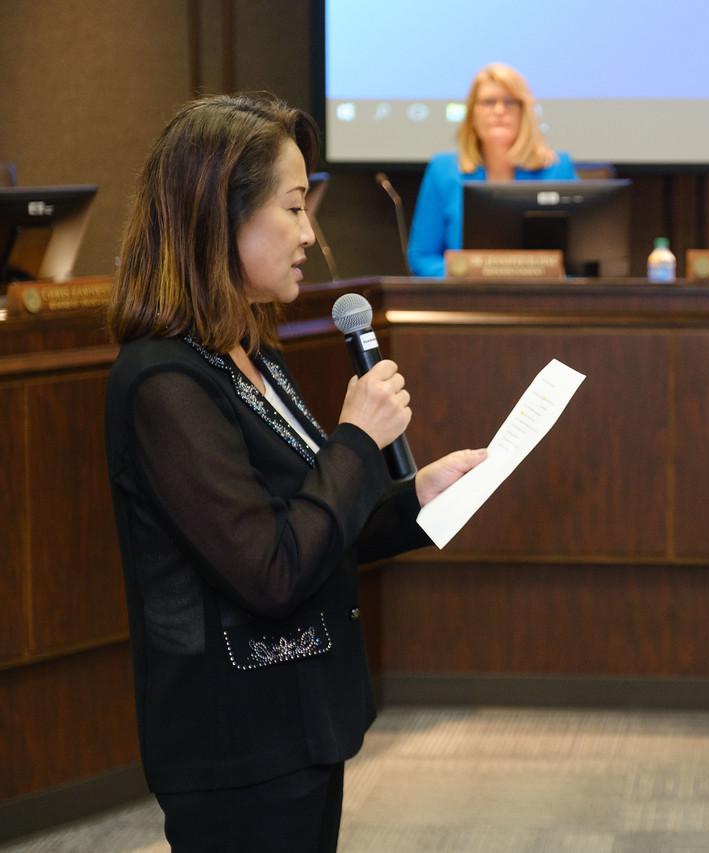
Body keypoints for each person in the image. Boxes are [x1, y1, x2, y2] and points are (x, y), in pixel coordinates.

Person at [104, 93, 486, 851]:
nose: (311, 233)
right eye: (293, 207)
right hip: (234, 743)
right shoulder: (164, 383)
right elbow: (270, 566)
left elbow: (311, 518)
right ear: (222, 216)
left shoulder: (251, 351)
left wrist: (418, 496)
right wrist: (354, 437)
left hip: (300, 720)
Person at [406, 63, 576, 277]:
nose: (499, 110)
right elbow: (422, 257)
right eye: (488, 102)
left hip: (540, 303)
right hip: (464, 302)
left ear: (524, 112)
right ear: (472, 115)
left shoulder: (557, 169)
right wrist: (462, 279)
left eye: (509, 102)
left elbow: (577, 262)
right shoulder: (443, 170)